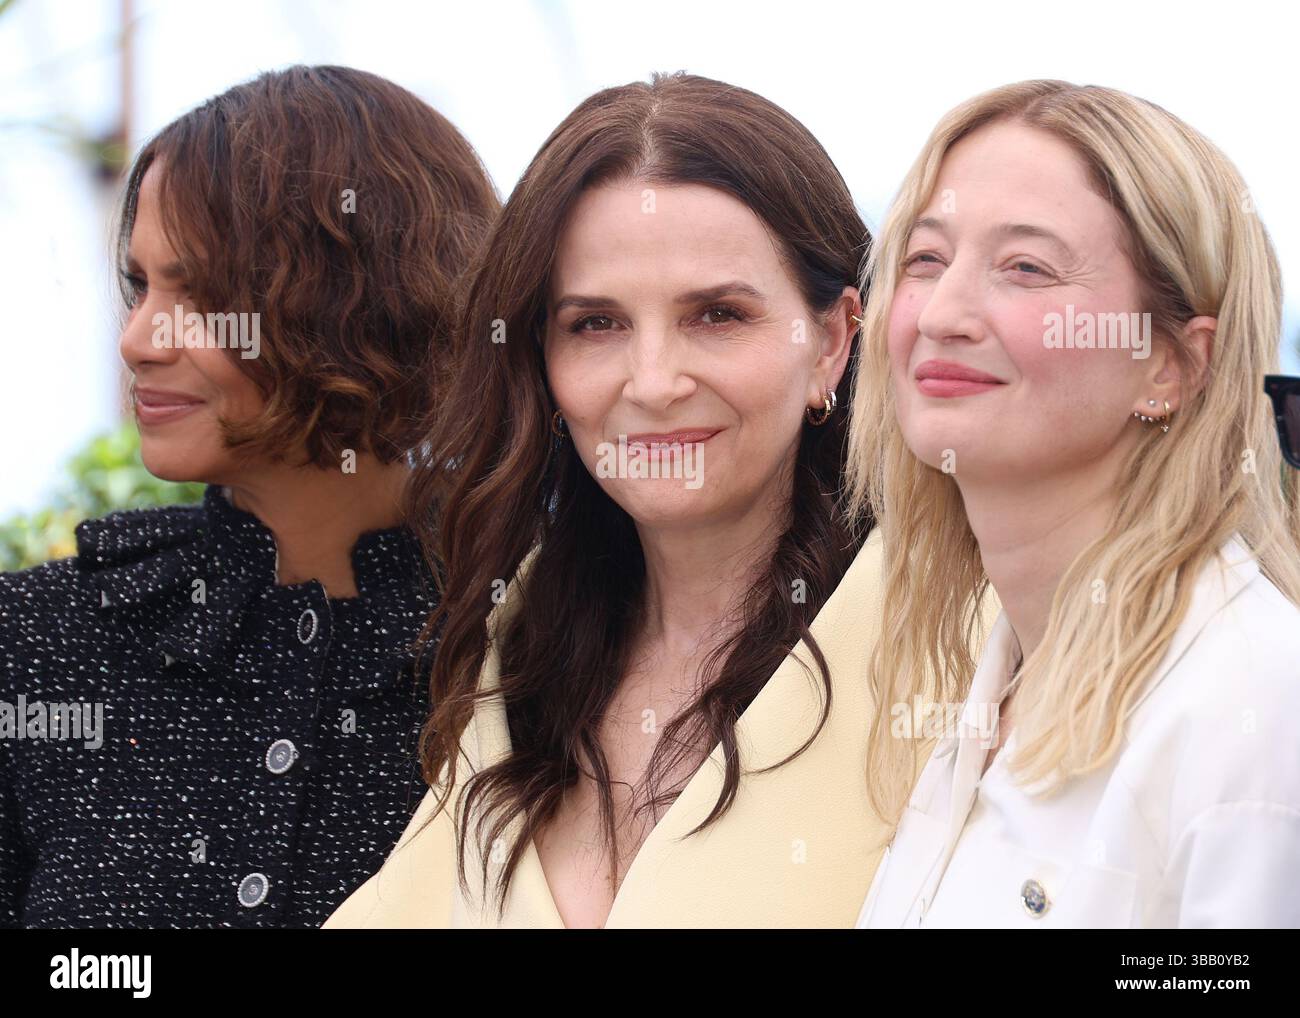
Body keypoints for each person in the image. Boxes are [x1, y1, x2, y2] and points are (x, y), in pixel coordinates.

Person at [325, 71, 910, 928]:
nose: (653, 382)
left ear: (830, 340)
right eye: (596, 323)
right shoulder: (520, 641)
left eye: (716, 314)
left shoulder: (950, 636)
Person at [0, 65, 499, 927]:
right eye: (141, 285)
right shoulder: (37, 641)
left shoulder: (539, 647)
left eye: (197, 295)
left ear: (358, 299)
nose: (137, 340)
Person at [849, 80, 1300, 928]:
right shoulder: (1001, 678)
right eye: (926, 259)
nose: (943, 313)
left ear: (1170, 365)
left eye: (1026, 268)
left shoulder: (1256, 712)